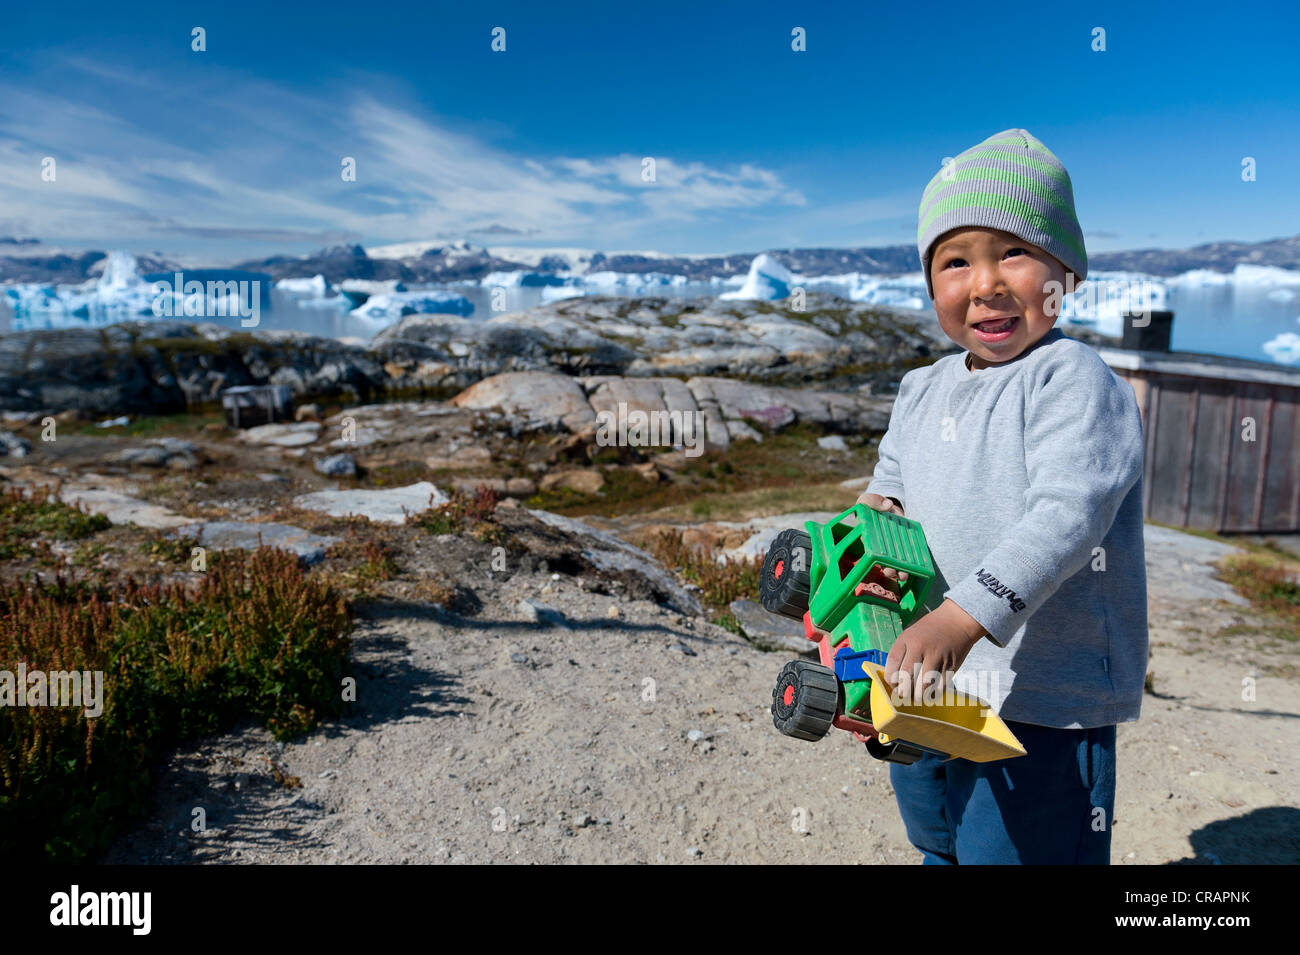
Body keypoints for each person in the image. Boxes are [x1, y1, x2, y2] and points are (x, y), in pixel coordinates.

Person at [859, 128, 1148, 864]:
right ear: (931, 285)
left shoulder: (1074, 380)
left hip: (1044, 698)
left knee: (1017, 853)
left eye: (1012, 253)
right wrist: (863, 574)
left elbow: (1068, 514)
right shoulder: (921, 388)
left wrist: (963, 618)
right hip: (926, 675)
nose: (985, 282)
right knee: (938, 838)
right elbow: (886, 493)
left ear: (1066, 272)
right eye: (956, 261)